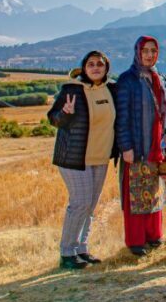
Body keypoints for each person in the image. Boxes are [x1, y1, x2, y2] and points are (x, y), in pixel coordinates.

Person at [47, 51, 118, 269]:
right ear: (84, 68)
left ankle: (82, 249)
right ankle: (66, 252)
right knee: (79, 203)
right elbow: (54, 119)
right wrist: (66, 113)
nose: (96, 67)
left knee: (90, 205)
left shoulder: (112, 90)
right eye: (91, 64)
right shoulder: (73, 90)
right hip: (75, 157)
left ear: (106, 68)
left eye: (100, 64)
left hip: (101, 157)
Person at [115, 36, 166, 256]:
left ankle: (154, 235)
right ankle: (136, 241)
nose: (150, 55)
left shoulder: (161, 78)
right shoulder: (127, 80)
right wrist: (126, 147)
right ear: (137, 52)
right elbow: (121, 117)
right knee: (136, 196)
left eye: (153, 50)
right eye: (145, 51)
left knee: (153, 193)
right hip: (136, 148)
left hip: (157, 148)